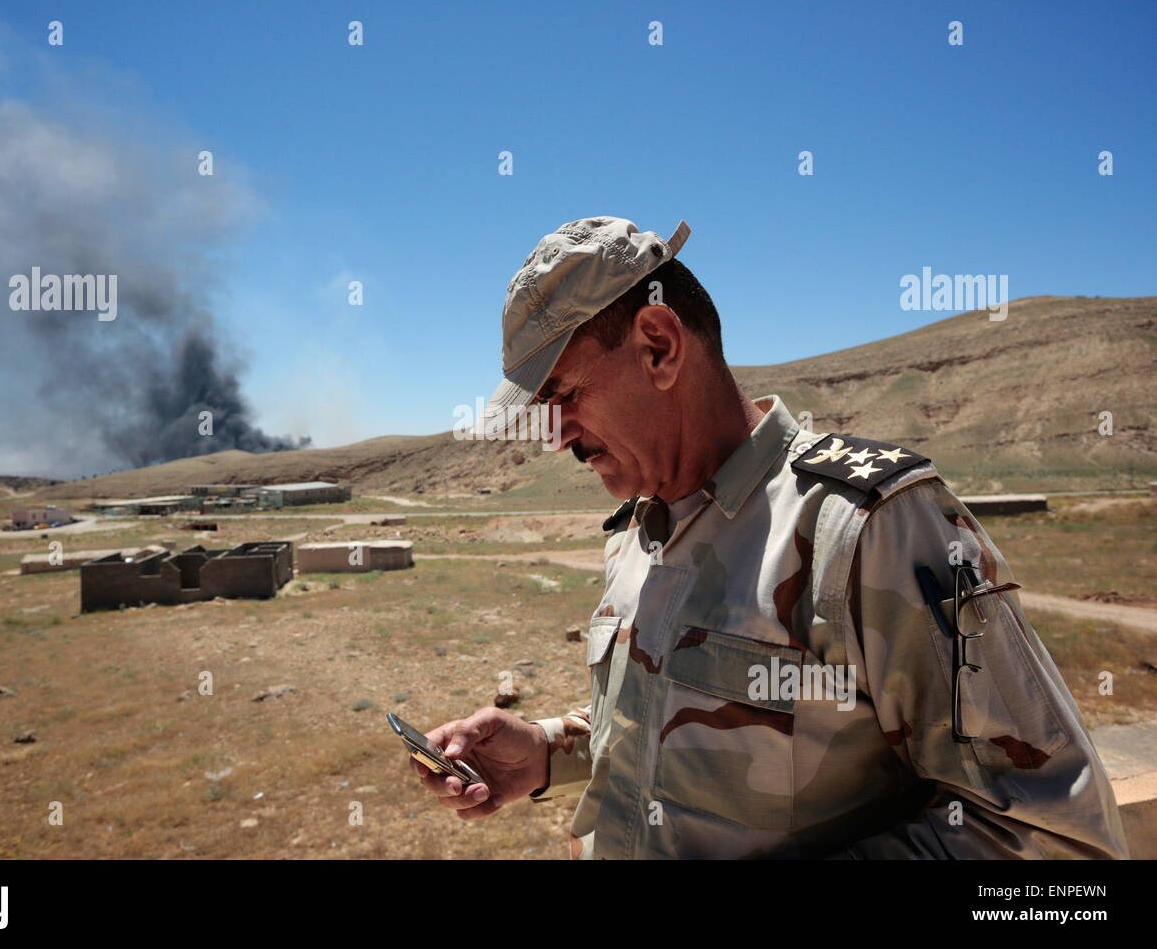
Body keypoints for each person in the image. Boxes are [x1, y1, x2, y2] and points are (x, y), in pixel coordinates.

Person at [410, 216, 1128, 859]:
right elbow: (667, 724)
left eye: (563, 398)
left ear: (659, 346)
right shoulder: (642, 530)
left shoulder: (865, 526)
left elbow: (1052, 840)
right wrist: (546, 751)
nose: (553, 437)